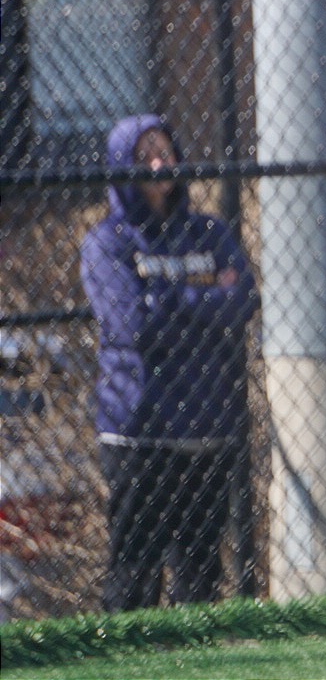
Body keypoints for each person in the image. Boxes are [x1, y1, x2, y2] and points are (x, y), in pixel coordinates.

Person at [79, 114, 259, 612]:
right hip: (140, 430)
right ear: (123, 167)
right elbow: (132, 326)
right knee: (134, 572)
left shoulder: (209, 231)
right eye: (144, 155)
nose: (159, 163)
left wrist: (167, 298)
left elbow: (242, 301)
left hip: (207, 424)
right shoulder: (108, 243)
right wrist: (202, 296)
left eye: (164, 150)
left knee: (200, 573)